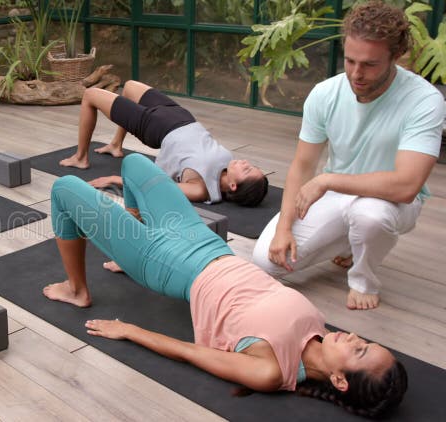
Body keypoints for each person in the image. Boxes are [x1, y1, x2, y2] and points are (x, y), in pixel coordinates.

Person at [44, 154, 407, 418]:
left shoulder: (270, 372)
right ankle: (127, 249)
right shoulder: (320, 331)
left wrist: (128, 330)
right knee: (135, 164)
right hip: (205, 242)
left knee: (64, 189)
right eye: (366, 342)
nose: (357, 338)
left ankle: (77, 289)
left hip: (168, 264)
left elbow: (193, 354)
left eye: (360, 352)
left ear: (339, 381)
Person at [251, 1, 445, 310]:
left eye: (369, 64)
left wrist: (327, 180)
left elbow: (407, 186)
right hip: (337, 194)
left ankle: (363, 278)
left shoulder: (424, 101)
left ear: (395, 56)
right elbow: (302, 167)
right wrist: (284, 228)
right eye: (350, 60)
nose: (356, 73)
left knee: (370, 215)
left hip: (392, 202)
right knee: (266, 262)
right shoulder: (325, 93)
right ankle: (350, 241)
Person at [58, 80, 269, 207]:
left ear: (233, 186)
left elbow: (158, 186)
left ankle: (81, 158)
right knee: (130, 87)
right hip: (181, 115)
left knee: (90, 95)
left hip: (157, 127)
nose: (245, 162)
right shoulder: (226, 166)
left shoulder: (200, 190)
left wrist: (115, 179)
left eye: (247, 169)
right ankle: (115, 144)